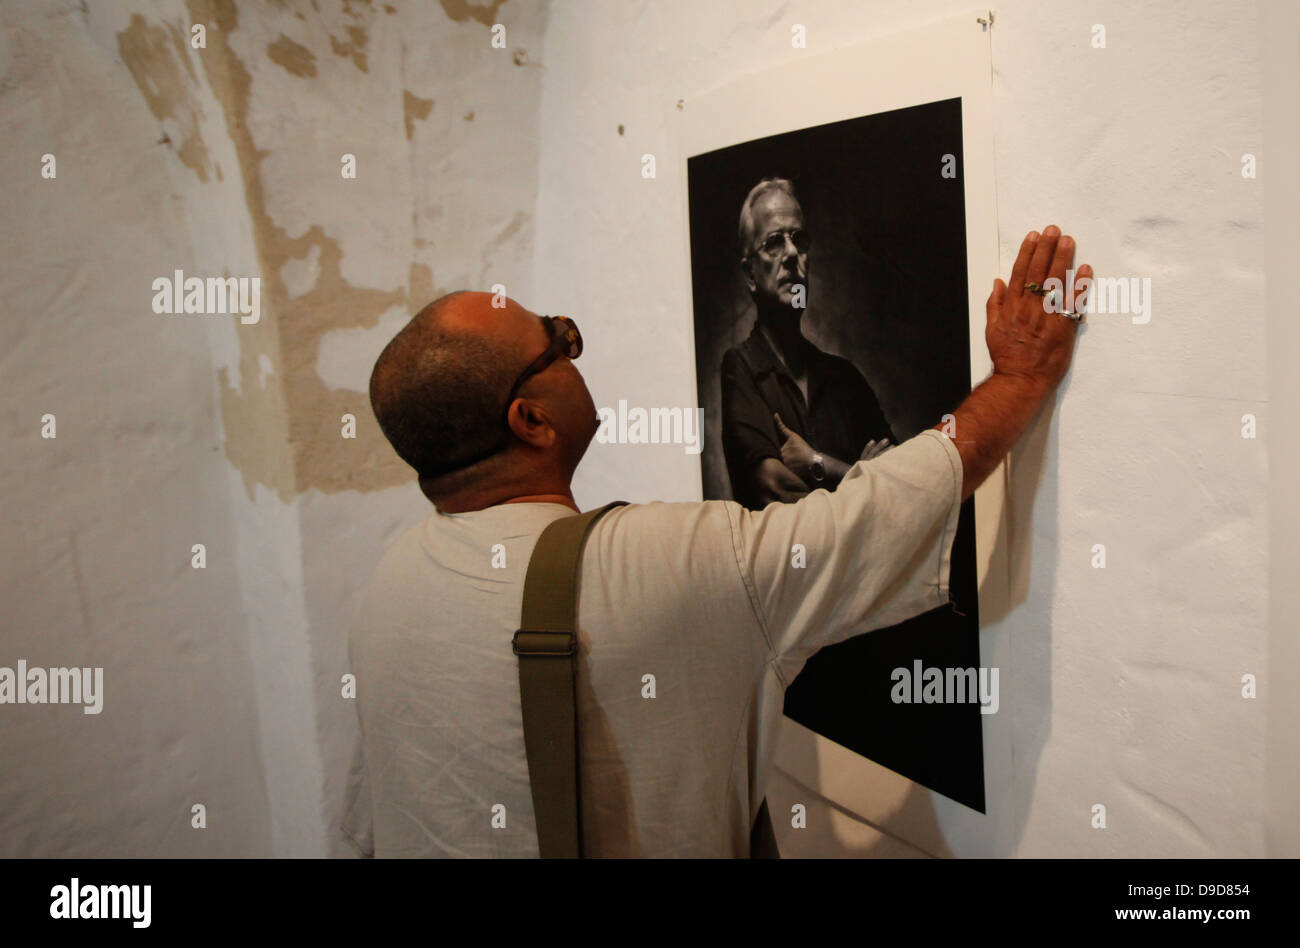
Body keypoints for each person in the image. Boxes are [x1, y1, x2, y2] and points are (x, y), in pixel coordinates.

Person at [341, 226, 1089, 857]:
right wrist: (1019, 381)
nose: (575, 345)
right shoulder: (663, 566)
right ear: (530, 421)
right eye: (558, 341)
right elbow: (877, 512)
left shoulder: (385, 586)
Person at [720, 178, 894, 510]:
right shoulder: (740, 368)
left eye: (799, 240)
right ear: (750, 275)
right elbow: (777, 491)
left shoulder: (847, 379)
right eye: (773, 242)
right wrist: (863, 478)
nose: (790, 254)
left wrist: (818, 464)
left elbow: (899, 489)